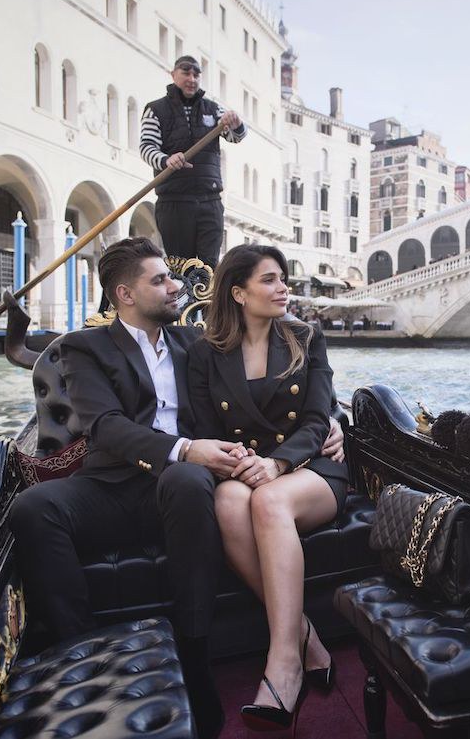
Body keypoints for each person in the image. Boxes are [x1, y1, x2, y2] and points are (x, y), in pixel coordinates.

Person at [8, 238, 344, 739]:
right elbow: (105, 426)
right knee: (32, 507)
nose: (175, 286)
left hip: (187, 488)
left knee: (189, 482)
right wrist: (185, 449)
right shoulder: (84, 348)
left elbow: (274, 390)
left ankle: (194, 655)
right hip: (115, 481)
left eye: (172, 277)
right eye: (160, 280)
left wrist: (334, 422)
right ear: (125, 294)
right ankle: (80, 654)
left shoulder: (198, 345)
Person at [187, 245, 348, 731]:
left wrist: (277, 463)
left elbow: (318, 418)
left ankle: (284, 663)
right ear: (238, 293)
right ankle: (306, 636)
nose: (283, 289)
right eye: (270, 280)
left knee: (270, 500)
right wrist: (243, 463)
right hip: (245, 470)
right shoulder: (203, 354)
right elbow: (205, 429)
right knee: (228, 502)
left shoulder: (306, 337)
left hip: (309, 467)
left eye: (283, 279)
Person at [140, 55, 245, 267]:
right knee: (181, 267)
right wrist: (167, 160)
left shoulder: (213, 109)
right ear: (173, 75)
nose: (192, 78)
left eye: (196, 74)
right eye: (186, 72)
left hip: (210, 199)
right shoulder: (156, 109)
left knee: (209, 266)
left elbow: (236, 137)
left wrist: (235, 123)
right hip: (174, 201)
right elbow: (146, 147)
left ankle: (207, 291)